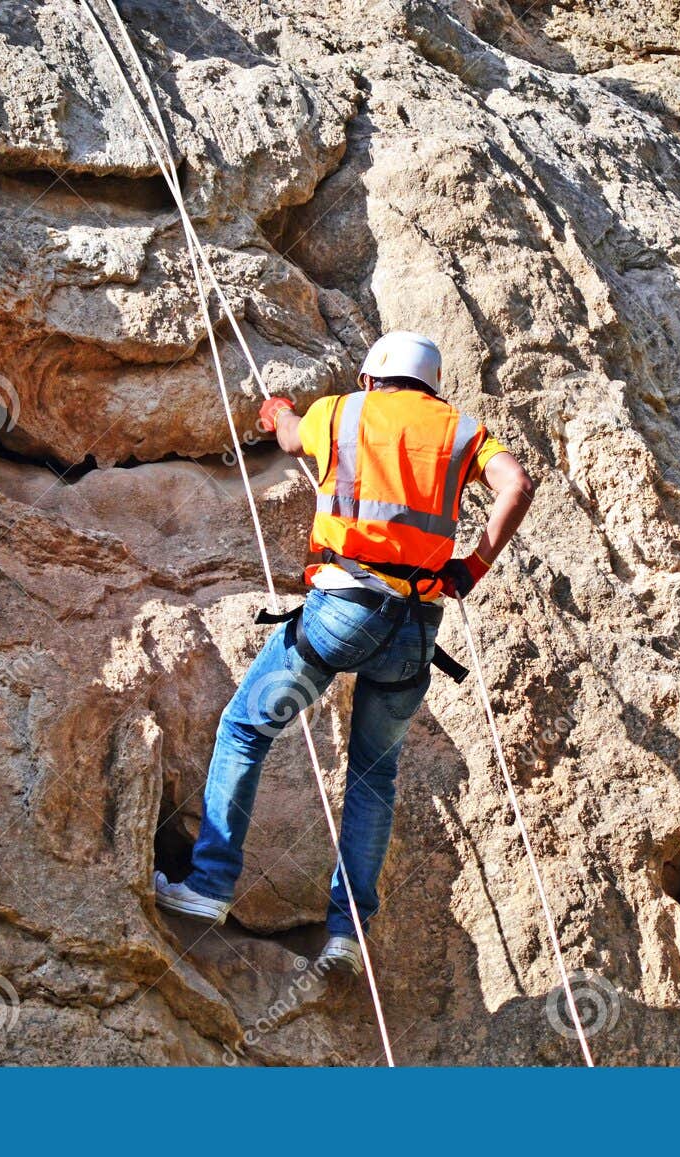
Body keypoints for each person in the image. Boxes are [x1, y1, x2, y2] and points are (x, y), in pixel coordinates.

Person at [153, 331, 535, 975]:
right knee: (373, 779)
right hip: (415, 633)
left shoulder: (344, 410)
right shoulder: (462, 432)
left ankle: (211, 884)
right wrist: (471, 568)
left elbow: (290, 435)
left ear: (371, 378)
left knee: (246, 729)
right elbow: (517, 485)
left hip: (343, 616)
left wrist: (275, 413)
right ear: (431, 385)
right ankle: (346, 935)